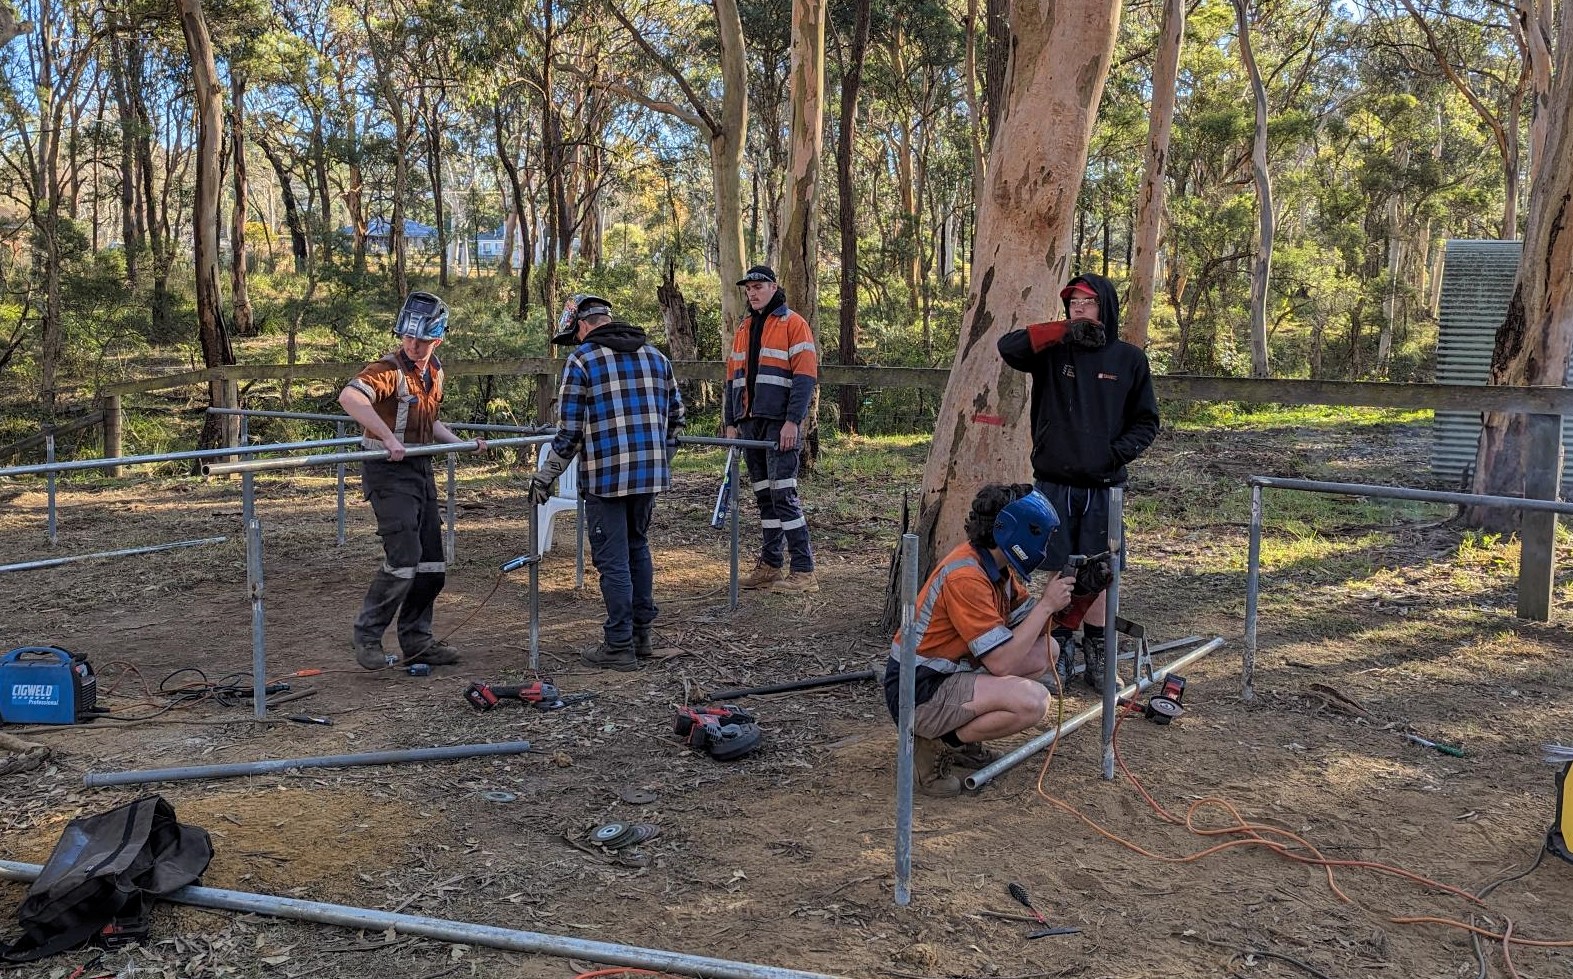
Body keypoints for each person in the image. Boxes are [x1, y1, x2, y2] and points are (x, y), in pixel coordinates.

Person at [997, 272, 1160, 692]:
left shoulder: (1129, 360)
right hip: (1052, 483)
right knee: (1058, 569)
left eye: (1087, 302)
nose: (1079, 308)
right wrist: (1063, 331)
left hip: (1104, 487)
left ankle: (1099, 658)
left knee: (1100, 573)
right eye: (1072, 303)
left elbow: (1146, 422)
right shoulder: (1054, 350)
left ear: (1105, 307)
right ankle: (1058, 651)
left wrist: (1112, 454)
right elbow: (1008, 348)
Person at [884, 485, 1075, 797]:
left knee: (1048, 651)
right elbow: (1001, 663)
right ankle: (936, 742)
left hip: (949, 673)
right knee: (1033, 701)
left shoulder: (997, 568)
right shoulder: (967, 577)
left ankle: (954, 734)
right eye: (1041, 534)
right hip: (917, 692)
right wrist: (1046, 606)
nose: (1046, 543)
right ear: (1016, 532)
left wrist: (1071, 597)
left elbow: (1032, 627)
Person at [532, 294, 685, 671]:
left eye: (575, 334)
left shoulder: (582, 360)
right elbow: (677, 418)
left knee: (612, 560)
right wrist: (658, 460)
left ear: (582, 325)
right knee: (637, 548)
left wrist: (546, 474)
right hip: (649, 476)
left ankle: (618, 644)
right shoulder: (656, 357)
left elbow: (570, 432)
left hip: (605, 476)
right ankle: (641, 636)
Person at [339, 291, 486, 670]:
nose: (412, 345)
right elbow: (350, 398)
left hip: (421, 469)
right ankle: (368, 636)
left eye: (421, 340)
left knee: (431, 564)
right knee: (403, 559)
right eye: (407, 338)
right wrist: (387, 439)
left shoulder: (435, 371)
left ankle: (418, 640)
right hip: (387, 472)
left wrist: (461, 444)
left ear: (437, 338)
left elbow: (430, 420)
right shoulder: (385, 369)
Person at [722, 264, 820, 594]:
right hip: (750, 422)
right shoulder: (744, 327)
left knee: (783, 493)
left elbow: (805, 378)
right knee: (764, 495)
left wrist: (793, 421)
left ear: (774, 286)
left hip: (780, 424)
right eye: (748, 287)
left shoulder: (794, 324)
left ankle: (804, 571)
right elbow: (731, 379)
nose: (752, 291)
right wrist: (732, 422)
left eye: (758, 286)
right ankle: (771, 563)